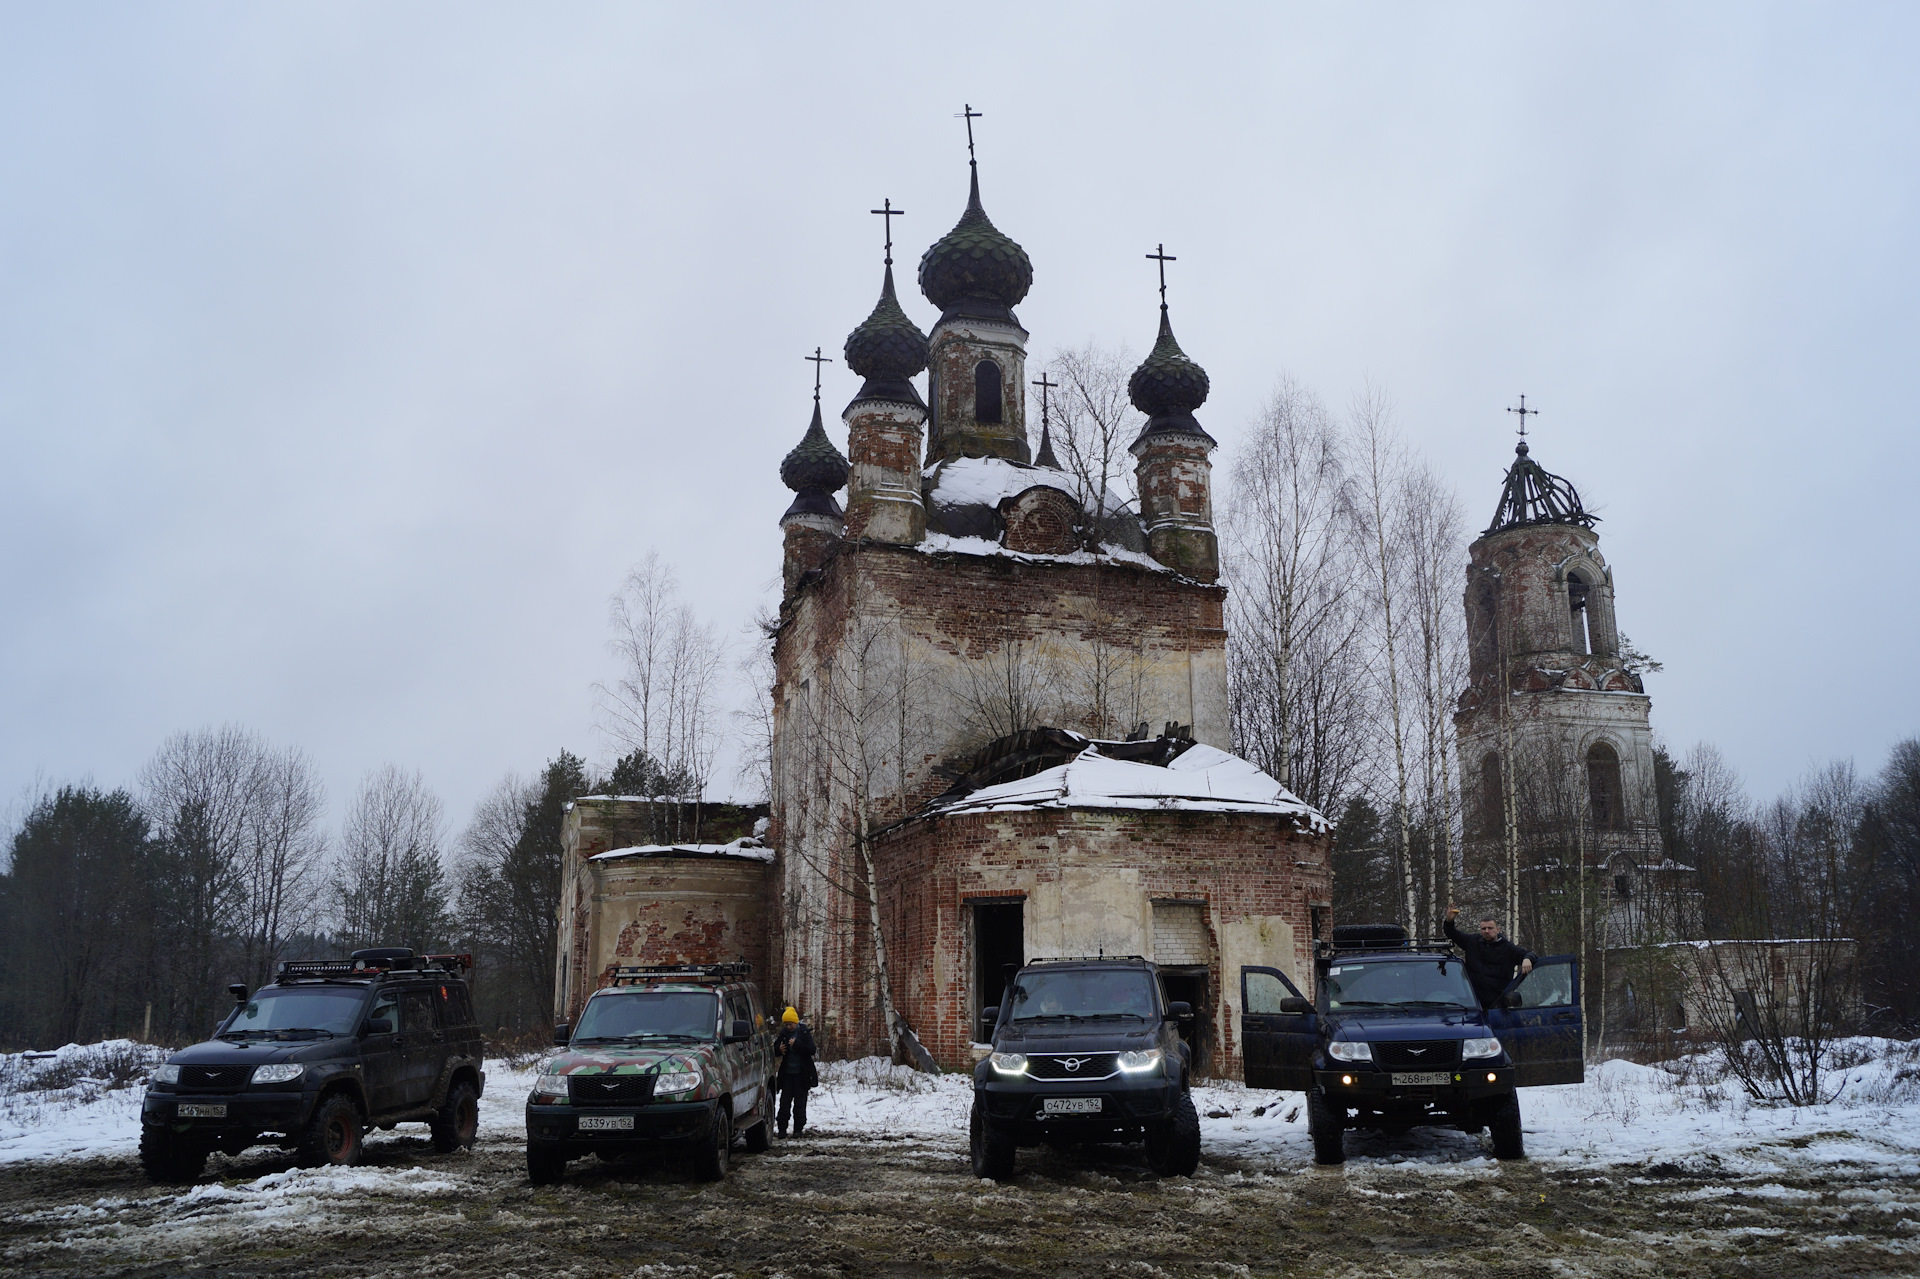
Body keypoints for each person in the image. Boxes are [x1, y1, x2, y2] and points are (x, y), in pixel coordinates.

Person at [1443, 906, 1535, 1008]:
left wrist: (1527, 959)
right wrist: (1449, 921)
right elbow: (1452, 933)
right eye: (1484, 928)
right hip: (1473, 1005)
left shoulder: (1508, 948)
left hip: (1498, 1007)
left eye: (1490, 928)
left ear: (1498, 929)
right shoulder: (1472, 942)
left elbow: (1529, 954)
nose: (1487, 931)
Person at [773, 1005, 818, 1138]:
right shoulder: (783, 1034)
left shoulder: (803, 1032)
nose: (788, 1027)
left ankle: (798, 1129)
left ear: (796, 1022)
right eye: (786, 1025)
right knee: (784, 1103)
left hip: (801, 1075)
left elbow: (811, 1050)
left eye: (791, 1024)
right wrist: (778, 1049)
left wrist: (797, 1044)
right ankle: (782, 1129)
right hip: (787, 1075)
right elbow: (775, 1048)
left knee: (800, 1104)